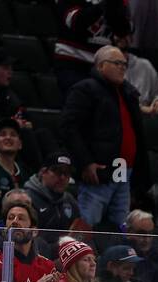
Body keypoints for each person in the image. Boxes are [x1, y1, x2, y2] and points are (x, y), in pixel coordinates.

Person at [60, 45, 147, 231]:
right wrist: (86, 162)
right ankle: (78, 259)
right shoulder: (85, 89)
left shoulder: (127, 92)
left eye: (124, 63)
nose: (122, 67)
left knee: (120, 223)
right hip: (100, 170)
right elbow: (69, 128)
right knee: (87, 223)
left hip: (122, 169)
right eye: (117, 63)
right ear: (100, 66)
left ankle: (115, 259)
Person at [54, 0, 133, 94]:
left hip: (104, 65)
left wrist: (114, 8)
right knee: (79, 103)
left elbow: (123, 31)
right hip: (73, 60)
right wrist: (103, 5)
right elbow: (76, 21)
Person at [23, 152, 83, 236]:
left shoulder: (70, 200)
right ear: (43, 172)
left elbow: (80, 233)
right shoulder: (26, 199)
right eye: (58, 172)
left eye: (66, 173)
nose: (62, 177)